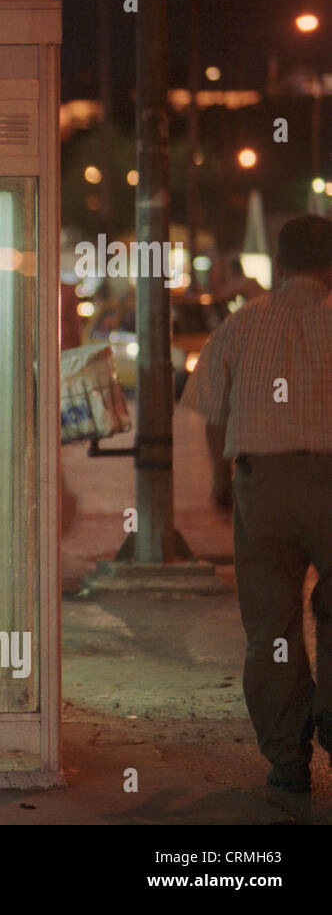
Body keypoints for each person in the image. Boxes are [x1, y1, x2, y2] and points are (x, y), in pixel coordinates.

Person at [181, 214, 332, 794]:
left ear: (281, 259)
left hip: (263, 486)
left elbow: (212, 411)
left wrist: (223, 483)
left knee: (271, 626)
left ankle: (288, 758)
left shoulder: (243, 324)